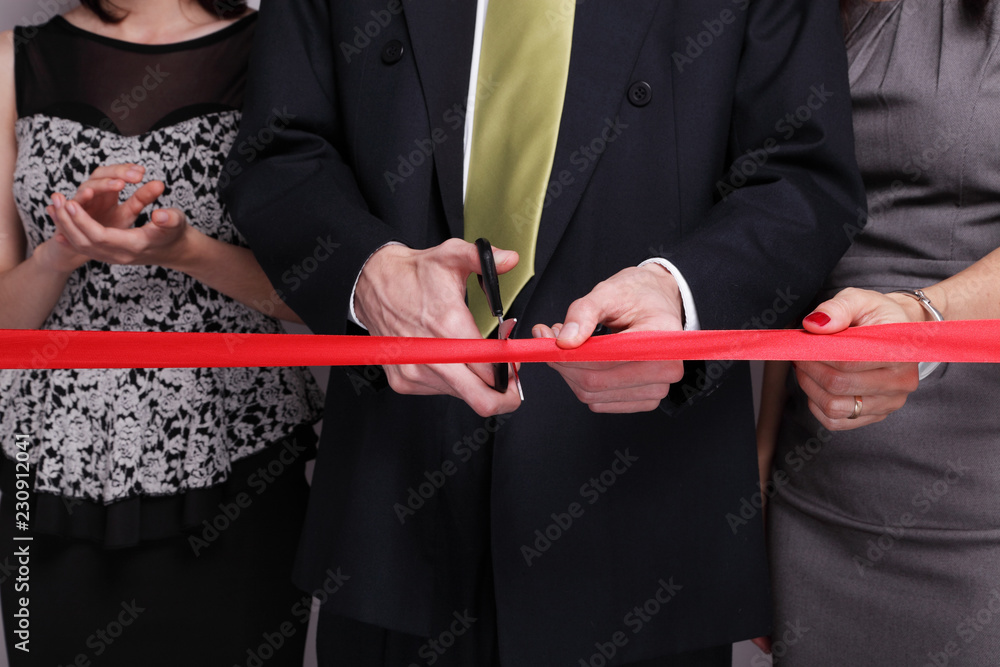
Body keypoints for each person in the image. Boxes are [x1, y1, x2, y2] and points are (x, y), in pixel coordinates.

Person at [223, 1, 865, 665]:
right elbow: (278, 151)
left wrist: (681, 292)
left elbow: (805, 176)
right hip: (397, 516)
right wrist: (369, 272)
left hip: (641, 533)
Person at [0, 1, 325, 664]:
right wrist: (61, 252)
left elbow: (324, 293)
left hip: (237, 457)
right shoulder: (14, 60)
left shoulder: (279, 51)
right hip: (51, 473)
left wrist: (184, 251)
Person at [757, 0, 1000, 664]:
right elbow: (799, 245)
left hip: (977, 510)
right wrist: (757, 469)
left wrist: (926, 317)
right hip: (816, 497)